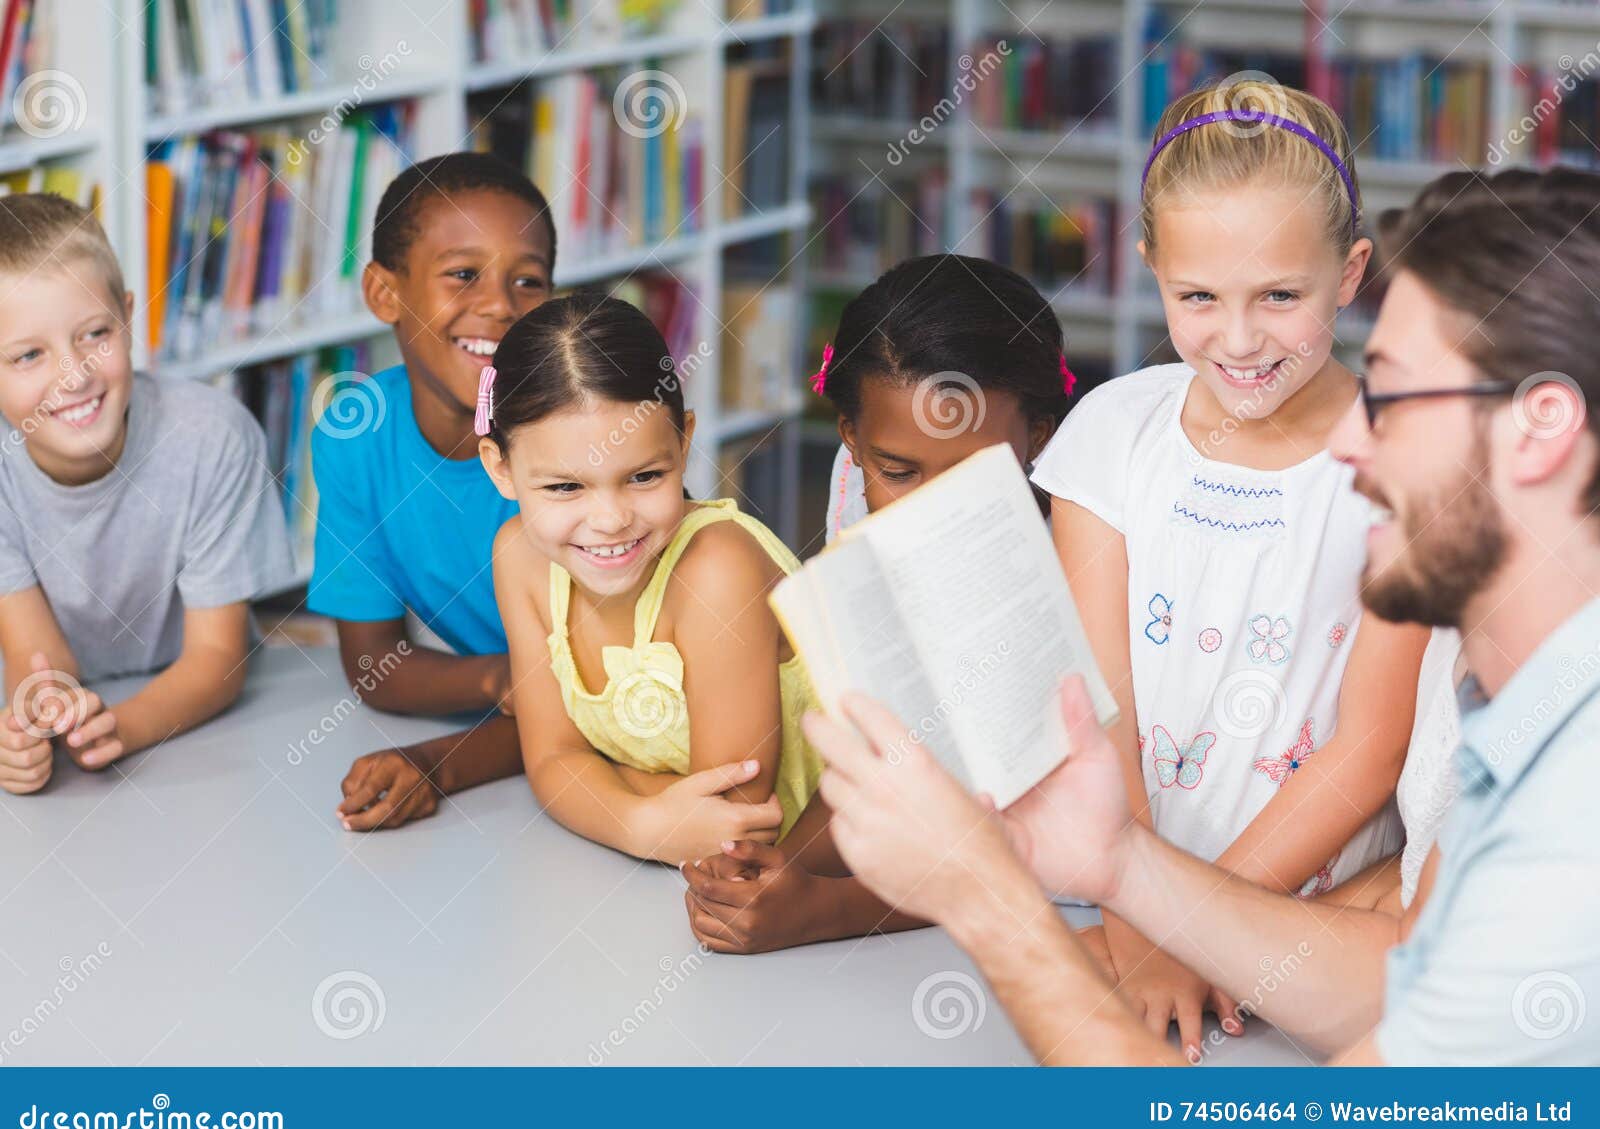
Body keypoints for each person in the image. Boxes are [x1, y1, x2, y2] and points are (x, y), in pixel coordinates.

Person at [806, 166, 1600, 1065]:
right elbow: (1408, 975)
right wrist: (1120, 869)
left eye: (1393, 399)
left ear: (1541, 427)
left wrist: (989, 904)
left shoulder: (1578, 810)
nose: (1346, 440)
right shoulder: (1513, 707)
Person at [1028, 82, 1429, 1056]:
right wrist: (1142, 927)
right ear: (1150, 267)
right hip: (1118, 915)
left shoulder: (1403, 452)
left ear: (1350, 273)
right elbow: (1098, 710)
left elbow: (1369, 745)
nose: (1239, 340)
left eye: (1279, 296)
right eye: (1198, 297)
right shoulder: (1114, 434)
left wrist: (1192, 930)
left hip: (1307, 935)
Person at [682, 253, 1077, 954]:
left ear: (1038, 439)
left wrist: (820, 910)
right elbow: (888, 731)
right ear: (852, 442)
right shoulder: (855, 483)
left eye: (973, 472)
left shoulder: (1077, 559)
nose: (931, 508)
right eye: (897, 472)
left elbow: (1034, 843)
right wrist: (786, 872)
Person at [481, 294, 823, 864]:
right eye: (566, 487)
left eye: (643, 475)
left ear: (683, 442)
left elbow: (732, 821)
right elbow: (548, 760)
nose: (611, 519)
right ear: (500, 468)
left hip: (827, 880)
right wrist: (642, 825)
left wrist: (600, 785)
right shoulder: (519, 557)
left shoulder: (717, 569)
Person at [0, 194, 295, 793]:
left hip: (196, 722)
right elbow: (39, 660)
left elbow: (217, 658)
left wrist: (116, 729)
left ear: (128, 319)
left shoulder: (214, 438)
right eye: (29, 354)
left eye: (94, 334)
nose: (74, 376)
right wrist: (39, 720)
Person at [309, 153, 554, 830]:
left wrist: (440, 763)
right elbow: (372, 663)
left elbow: (603, 700)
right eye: (464, 274)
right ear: (386, 294)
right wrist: (497, 679)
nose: (501, 304)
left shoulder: (578, 438)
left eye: (528, 281)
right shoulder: (356, 438)